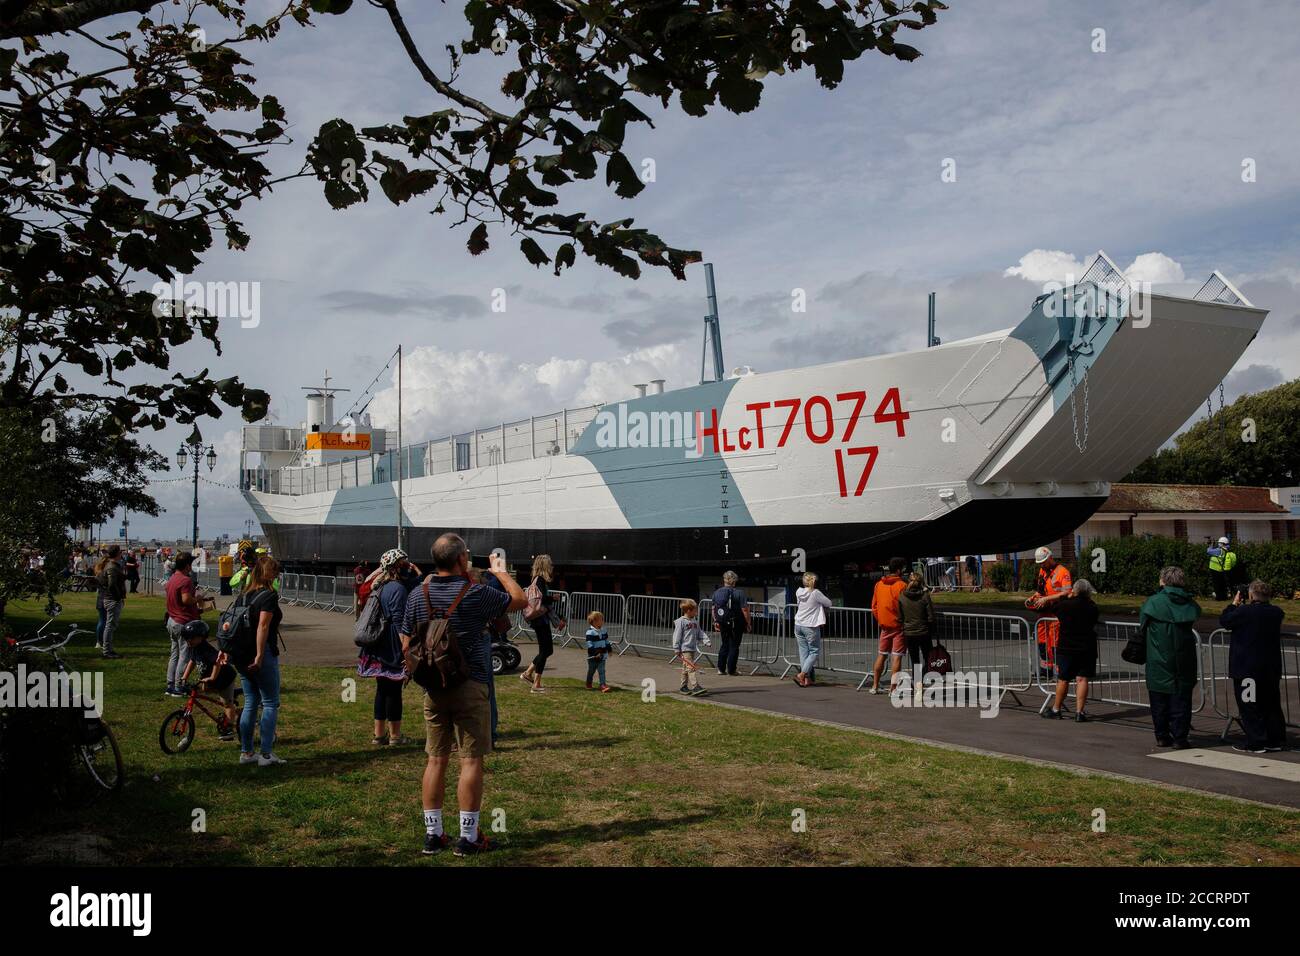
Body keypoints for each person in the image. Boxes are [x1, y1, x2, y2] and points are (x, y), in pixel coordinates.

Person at [400, 534, 525, 857]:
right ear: (460, 560)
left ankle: (433, 834)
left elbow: (405, 641)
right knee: (470, 760)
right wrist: (499, 571)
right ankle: (468, 838)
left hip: (434, 687)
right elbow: (520, 600)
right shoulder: (475, 593)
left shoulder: (418, 594)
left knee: (436, 759)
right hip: (471, 684)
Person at [1220, 580, 1288, 753]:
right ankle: (1275, 739)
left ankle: (1256, 741)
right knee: (1271, 705)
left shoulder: (1244, 612)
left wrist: (1233, 604)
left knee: (1249, 705)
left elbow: (1225, 621)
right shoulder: (1276, 613)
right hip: (1269, 668)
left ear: (1250, 595)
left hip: (1247, 668)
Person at [1139, 566, 1201, 750]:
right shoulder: (1189, 604)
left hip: (1158, 656)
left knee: (1159, 700)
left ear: (1163, 581)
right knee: (1181, 699)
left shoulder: (1153, 602)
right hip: (1183, 657)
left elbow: (1143, 623)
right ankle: (1180, 737)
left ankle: (1162, 735)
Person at [233, 555, 286, 767]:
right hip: (260, 655)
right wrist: (260, 655)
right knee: (270, 702)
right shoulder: (268, 596)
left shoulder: (243, 596)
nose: (277, 575)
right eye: (275, 572)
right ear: (268, 573)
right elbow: (263, 626)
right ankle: (265, 754)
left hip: (241, 655)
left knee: (250, 702)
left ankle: (246, 752)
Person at [358, 549, 412, 747]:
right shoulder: (398, 588)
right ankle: (395, 736)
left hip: (377, 645)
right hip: (391, 645)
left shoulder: (380, 586)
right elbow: (399, 621)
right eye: (405, 564)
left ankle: (379, 734)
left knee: (382, 690)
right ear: (397, 566)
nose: (408, 567)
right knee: (394, 691)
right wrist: (405, 650)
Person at [1043, 579, 1100, 721]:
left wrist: (1065, 596)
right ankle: (1079, 712)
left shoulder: (1065, 606)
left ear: (1074, 591)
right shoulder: (1092, 607)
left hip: (1067, 646)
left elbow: (1054, 607)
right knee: (1082, 679)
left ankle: (1056, 709)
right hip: (1086, 647)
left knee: (1063, 679)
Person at [178, 620, 238, 741]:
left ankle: (229, 728)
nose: (188, 641)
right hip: (209, 679)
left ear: (201, 637)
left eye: (191, 638)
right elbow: (192, 661)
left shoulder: (206, 649)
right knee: (202, 691)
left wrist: (212, 678)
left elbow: (217, 662)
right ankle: (231, 702)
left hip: (224, 678)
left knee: (227, 704)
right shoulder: (194, 647)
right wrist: (184, 677)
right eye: (186, 638)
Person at [165, 551, 213, 696]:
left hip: (172, 620)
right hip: (183, 622)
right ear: (187, 565)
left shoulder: (173, 578)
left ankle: (170, 684)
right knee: (184, 656)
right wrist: (197, 599)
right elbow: (186, 600)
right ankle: (179, 686)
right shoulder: (185, 580)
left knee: (174, 654)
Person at [1029, 546, 1072, 677]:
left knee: (1055, 642)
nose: (1041, 565)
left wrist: (1046, 599)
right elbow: (1040, 590)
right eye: (1040, 563)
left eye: (1043, 562)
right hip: (1045, 612)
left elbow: (1067, 592)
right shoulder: (1042, 571)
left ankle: (1059, 672)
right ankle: (1045, 670)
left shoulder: (1063, 572)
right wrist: (1033, 598)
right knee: (1042, 640)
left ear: (1050, 558)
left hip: (1057, 612)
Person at [869, 558, 909, 694]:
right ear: (899, 570)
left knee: (881, 655)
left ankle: (874, 686)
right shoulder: (902, 585)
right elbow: (905, 606)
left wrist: (880, 619)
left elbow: (874, 606)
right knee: (896, 657)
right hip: (898, 626)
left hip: (884, 626)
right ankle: (893, 688)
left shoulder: (879, 584)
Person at [518, 554, 557, 693]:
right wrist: (553, 598)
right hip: (539, 619)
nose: (552, 567)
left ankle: (529, 674)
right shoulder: (539, 580)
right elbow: (541, 599)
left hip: (538, 619)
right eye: (550, 564)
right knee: (546, 650)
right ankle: (536, 683)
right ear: (545, 566)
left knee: (546, 650)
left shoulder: (537, 580)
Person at [897, 570, 935, 702]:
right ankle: (922, 682)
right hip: (924, 632)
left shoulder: (902, 596)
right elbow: (930, 616)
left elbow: (900, 616)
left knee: (915, 661)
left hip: (909, 632)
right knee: (928, 658)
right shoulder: (924, 596)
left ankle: (917, 685)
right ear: (921, 583)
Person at [793, 572, 832, 687]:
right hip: (810, 625)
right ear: (814, 581)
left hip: (798, 624)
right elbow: (829, 603)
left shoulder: (798, 591)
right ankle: (802, 674)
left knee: (803, 652)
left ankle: (806, 679)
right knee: (814, 651)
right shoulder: (815, 593)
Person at [711, 570, 751, 676]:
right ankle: (732, 670)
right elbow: (745, 610)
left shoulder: (717, 592)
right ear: (734, 581)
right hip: (736, 622)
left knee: (724, 644)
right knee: (734, 646)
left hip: (722, 621)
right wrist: (748, 623)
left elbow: (713, 608)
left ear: (724, 580)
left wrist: (715, 621)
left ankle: (720, 669)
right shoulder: (739, 593)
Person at [93, 545, 126, 659]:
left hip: (111, 598)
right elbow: (111, 585)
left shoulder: (112, 566)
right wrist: (118, 597)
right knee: (110, 625)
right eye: (120, 552)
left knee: (110, 625)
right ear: (117, 554)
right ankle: (107, 651)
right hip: (112, 599)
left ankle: (108, 649)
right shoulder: (112, 567)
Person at [671, 599, 710, 696]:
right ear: (688, 610)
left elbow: (700, 632)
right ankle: (695, 686)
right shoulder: (681, 622)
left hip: (692, 648)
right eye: (695, 610)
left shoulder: (695, 621)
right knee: (691, 667)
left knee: (685, 668)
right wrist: (676, 648)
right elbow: (677, 635)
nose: (696, 612)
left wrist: (706, 641)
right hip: (685, 649)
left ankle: (683, 687)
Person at [584, 610, 613, 692]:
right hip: (593, 656)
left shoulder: (604, 630)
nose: (602, 621)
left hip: (602, 655)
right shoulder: (590, 632)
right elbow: (589, 645)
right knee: (591, 671)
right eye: (601, 619)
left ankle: (602, 685)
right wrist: (596, 653)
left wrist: (609, 649)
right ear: (594, 621)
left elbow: (606, 641)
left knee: (602, 671)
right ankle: (588, 683)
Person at [1206, 536, 1238, 601]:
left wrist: (1210, 545)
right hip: (1220, 569)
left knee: (1217, 585)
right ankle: (1223, 597)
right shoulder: (1225, 549)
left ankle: (1219, 598)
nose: (1218, 544)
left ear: (1222, 543)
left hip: (1215, 569)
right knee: (1222, 584)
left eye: (1219, 543)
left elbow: (1209, 551)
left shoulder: (1219, 550)